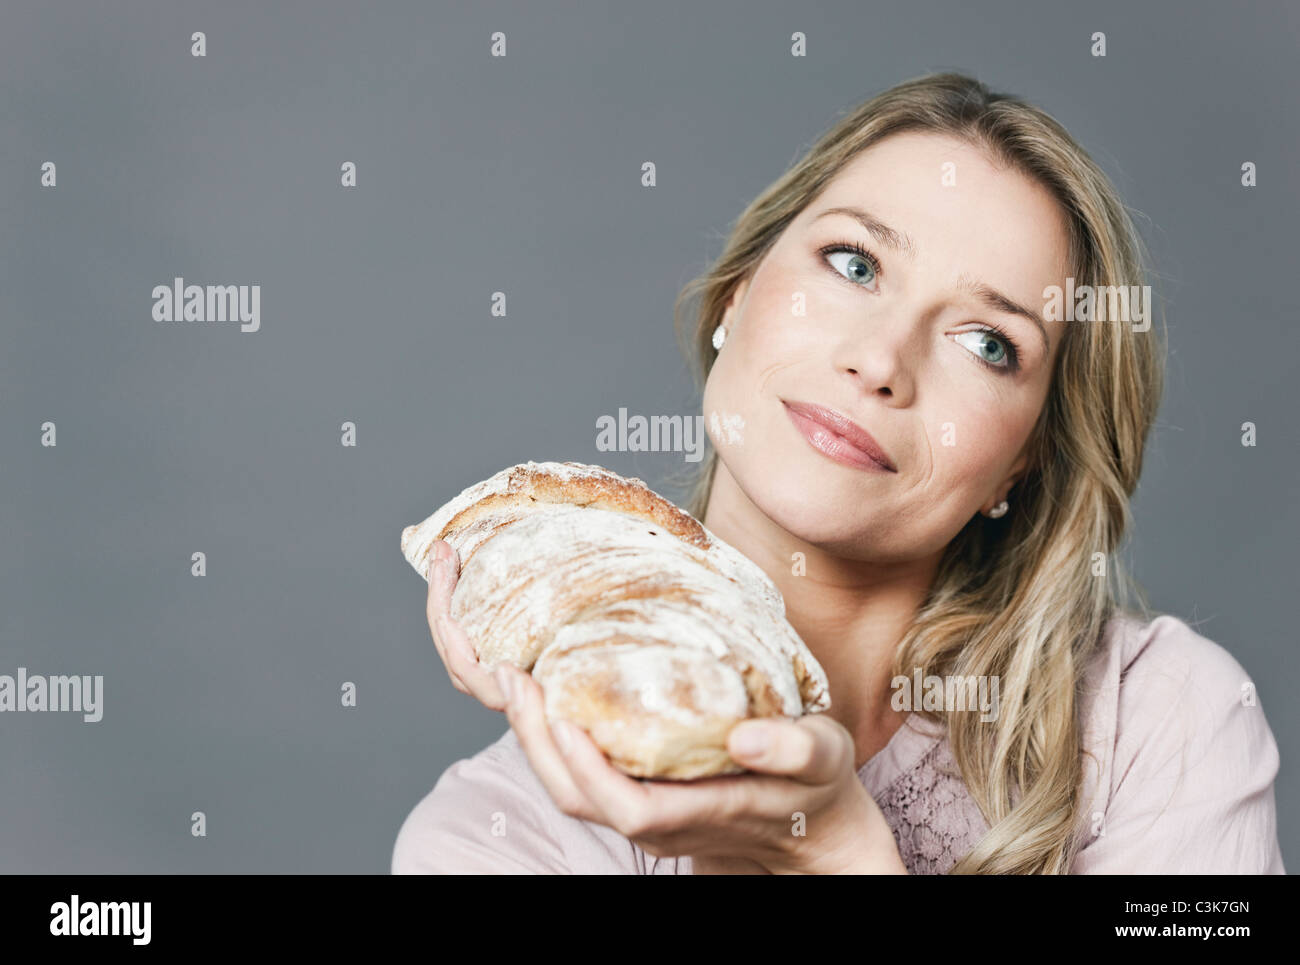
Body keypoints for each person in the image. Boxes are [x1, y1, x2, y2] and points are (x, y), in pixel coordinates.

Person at [392, 72, 1285, 874]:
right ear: (737, 295)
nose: (880, 359)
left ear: (1027, 456)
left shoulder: (1165, 723)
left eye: (987, 342)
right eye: (854, 264)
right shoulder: (492, 838)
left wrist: (837, 850)